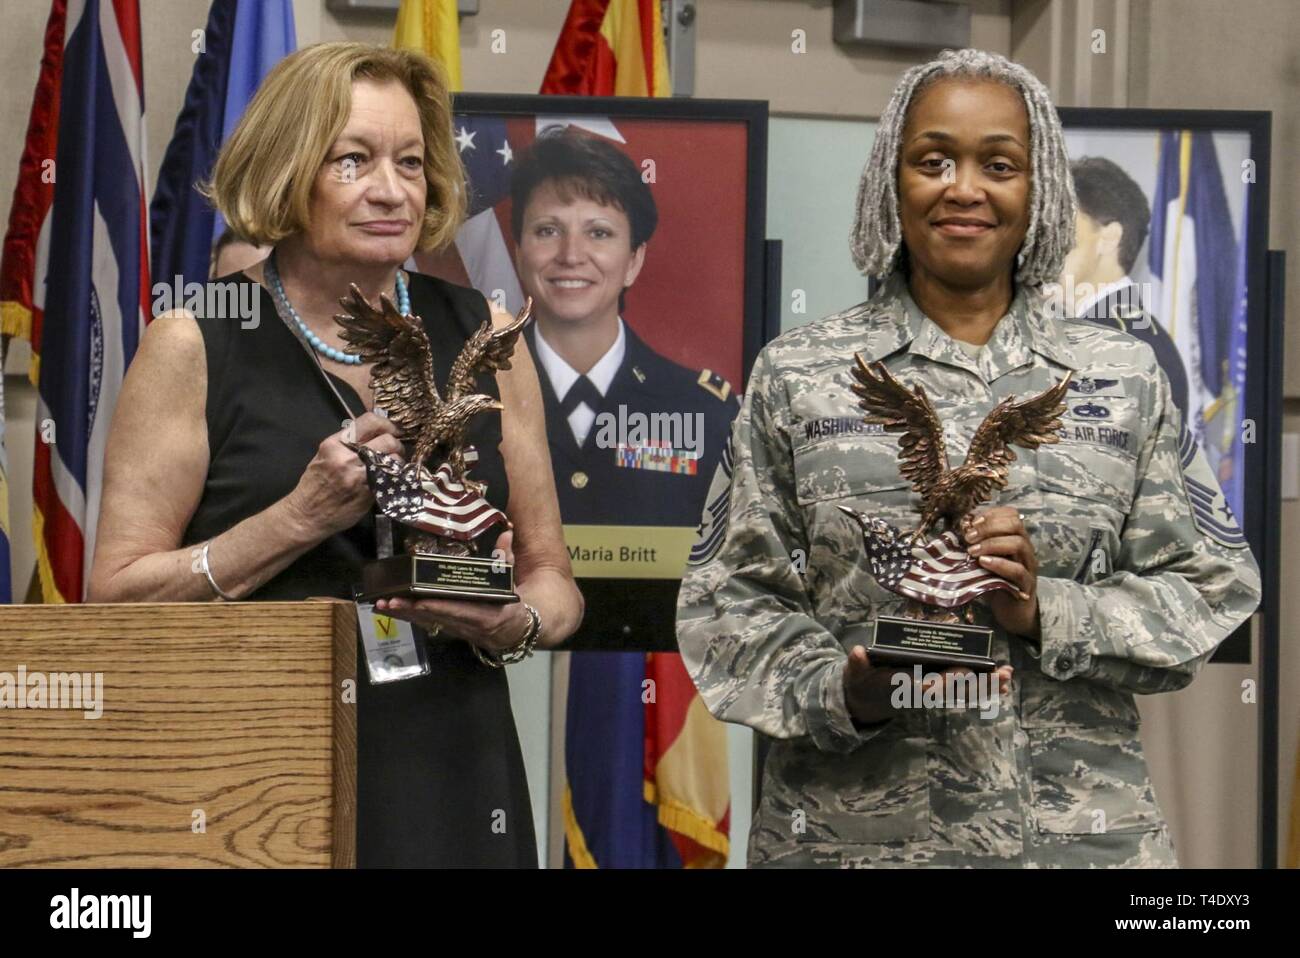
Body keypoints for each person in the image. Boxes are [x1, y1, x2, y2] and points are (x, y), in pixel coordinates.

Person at [677, 48, 1261, 867]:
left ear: (1040, 190)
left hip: (1075, 844)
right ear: (894, 179)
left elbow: (1213, 588)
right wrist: (845, 690)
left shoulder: (1123, 378)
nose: (964, 188)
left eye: (999, 164)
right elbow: (726, 608)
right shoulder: (798, 376)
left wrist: (1045, 610)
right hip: (852, 840)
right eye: (933, 160)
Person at [87, 42, 583, 868]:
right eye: (352, 161)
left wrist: (514, 621)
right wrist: (296, 519)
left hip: (453, 762)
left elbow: (555, 581)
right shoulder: (194, 342)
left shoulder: (490, 337)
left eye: (411, 163)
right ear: (286, 172)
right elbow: (115, 601)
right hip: (255, 775)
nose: (391, 190)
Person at [509, 127, 738, 866]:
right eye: (548, 229)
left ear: (635, 257)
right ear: (518, 248)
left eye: (599, 232)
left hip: (635, 732)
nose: (571, 256)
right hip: (497, 720)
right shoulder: (469, 398)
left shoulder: (706, 412)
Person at [1059, 156, 1189, 423]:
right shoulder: (1137, 333)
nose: (1048, 242)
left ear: (1109, 238)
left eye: (1063, 226)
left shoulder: (1111, 344)